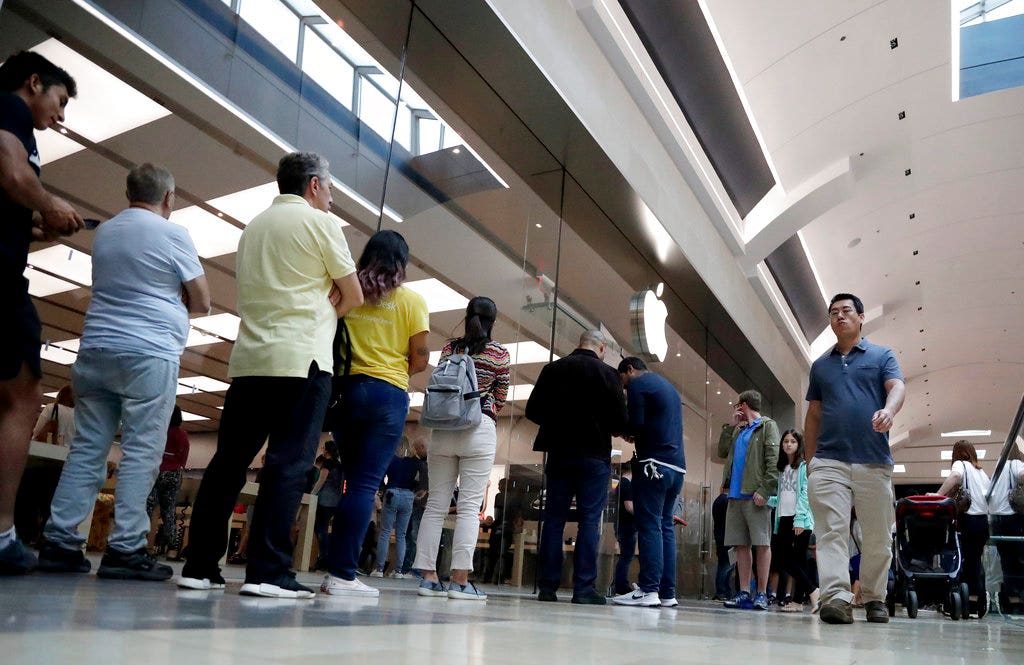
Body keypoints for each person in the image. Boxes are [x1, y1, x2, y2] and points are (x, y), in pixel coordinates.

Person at [180, 152, 361, 597]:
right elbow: (353, 295)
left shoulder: (252, 229)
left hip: (250, 361)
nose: (333, 198)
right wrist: (322, 308)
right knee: (287, 466)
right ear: (314, 185)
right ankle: (267, 572)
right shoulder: (322, 226)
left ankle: (200, 566)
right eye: (332, 189)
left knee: (227, 466)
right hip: (303, 361)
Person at [37, 163, 209, 581]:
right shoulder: (173, 234)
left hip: (95, 350)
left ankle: (60, 543)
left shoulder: (107, 232)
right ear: (169, 198)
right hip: (148, 354)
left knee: (87, 449)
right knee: (141, 451)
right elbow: (202, 301)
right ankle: (126, 548)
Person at [0, 50, 83, 575]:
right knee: (24, 394)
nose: (61, 113)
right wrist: (49, 203)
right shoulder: (9, 111)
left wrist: (35, 228)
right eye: (59, 99)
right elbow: (11, 175)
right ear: (34, 83)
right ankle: (3, 532)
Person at [320, 230, 429, 598]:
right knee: (366, 485)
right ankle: (342, 575)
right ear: (402, 262)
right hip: (388, 394)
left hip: (347, 392)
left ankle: (334, 570)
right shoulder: (412, 301)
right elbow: (419, 357)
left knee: (353, 481)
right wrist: (398, 371)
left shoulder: (347, 293)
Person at [805, 293, 905, 625]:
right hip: (828, 460)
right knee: (830, 531)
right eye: (833, 313)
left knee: (876, 534)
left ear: (861, 317)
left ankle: (875, 596)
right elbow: (814, 415)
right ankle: (836, 597)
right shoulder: (820, 366)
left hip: (873, 459)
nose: (839, 316)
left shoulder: (881, 356)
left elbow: (897, 387)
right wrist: (810, 461)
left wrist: (889, 411)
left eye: (846, 311)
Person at [415, 296, 510, 600]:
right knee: (469, 508)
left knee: (436, 505)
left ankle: (428, 577)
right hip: (479, 427)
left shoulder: (449, 348)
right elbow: (501, 394)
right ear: (493, 321)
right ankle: (459, 581)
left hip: (444, 429)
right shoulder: (499, 353)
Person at [526, 329, 627, 605]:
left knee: (554, 521)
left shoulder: (553, 369)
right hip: (594, 456)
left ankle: (547, 587)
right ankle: (583, 589)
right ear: (601, 348)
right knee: (589, 522)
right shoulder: (609, 375)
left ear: (579, 343)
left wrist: (558, 420)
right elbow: (620, 422)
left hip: (559, 453)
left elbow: (532, 411)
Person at [612, 357, 685, 608]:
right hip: (677, 467)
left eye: (623, 382)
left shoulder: (638, 385)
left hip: (653, 465)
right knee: (665, 527)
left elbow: (636, 423)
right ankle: (667, 593)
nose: (624, 388)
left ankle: (648, 590)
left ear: (629, 370)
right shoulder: (669, 387)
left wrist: (623, 431)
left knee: (649, 525)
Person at [718, 390, 780, 610]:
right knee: (741, 546)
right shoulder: (738, 430)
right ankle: (744, 591)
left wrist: (765, 490)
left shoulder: (767, 426)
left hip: (756, 496)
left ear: (742, 406)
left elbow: (774, 462)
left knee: (762, 544)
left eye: (737, 406)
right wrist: (730, 426)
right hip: (734, 496)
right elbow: (722, 451)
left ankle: (762, 593)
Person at [936, 439, 990, 616]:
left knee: (959, 561)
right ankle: (975, 603)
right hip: (983, 522)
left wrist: (938, 495)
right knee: (975, 562)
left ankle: (957, 600)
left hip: (967, 520)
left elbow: (956, 476)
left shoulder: (961, 465)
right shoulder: (982, 473)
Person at [769, 429, 818, 612]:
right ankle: (801, 599)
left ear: (799, 445)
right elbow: (784, 495)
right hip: (784, 517)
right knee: (790, 560)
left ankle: (810, 592)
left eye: (792, 441)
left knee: (793, 559)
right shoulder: (782, 468)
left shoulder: (803, 466)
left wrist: (799, 519)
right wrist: (768, 500)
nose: (788, 444)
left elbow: (805, 494)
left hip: (800, 519)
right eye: (786, 441)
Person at [371, 445, 422, 579]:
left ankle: (380, 568)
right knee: (402, 534)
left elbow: (381, 478)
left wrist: (381, 492)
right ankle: (399, 571)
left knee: (385, 533)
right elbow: (420, 481)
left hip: (392, 494)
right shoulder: (415, 462)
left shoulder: (390, 459)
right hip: (408, 496)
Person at [145, 406, 190, 554]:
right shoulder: (183, 435)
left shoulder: (160, 431)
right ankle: (172, 547)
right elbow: (183, 458)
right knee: (169, 510)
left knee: (148, 507)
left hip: (157, 471)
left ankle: (142, 541)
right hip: (174, 474)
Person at [988, 447, 1024, 608]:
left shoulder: (998, 467)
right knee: (1016, 560)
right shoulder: (1015, 463)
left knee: (1007, 561)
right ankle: (1016, 597)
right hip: (1012, 516)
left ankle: (1011, 598)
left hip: (997, 519)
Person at [310, 440, 342, 570]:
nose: (322, 449)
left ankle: (324, 557)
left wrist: (312, 494)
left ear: (327, 451)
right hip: (336, 501)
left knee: (320, 528)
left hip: (324, 500)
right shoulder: (340, 465)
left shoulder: (327, 463)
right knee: (325, 528)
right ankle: (326, 556)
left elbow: (321, 481)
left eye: (323, 448)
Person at [483, 477, 521, 584]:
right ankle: (500, 577)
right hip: (508, 528)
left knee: (493, 554)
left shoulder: (499, 496)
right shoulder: (515, 498)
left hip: (499, 527)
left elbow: (497, 513)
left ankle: (489, 577)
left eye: (500, 484)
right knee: (503, 554)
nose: (499, 487)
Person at [400, 438, 429, 576]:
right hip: (420, 504)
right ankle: (411, 567)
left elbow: (420, 485)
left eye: (417, 448)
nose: (416, 451)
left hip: (417, 504)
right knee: (413, 536)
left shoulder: (418, 464)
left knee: (411, 536)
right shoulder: (425, 464)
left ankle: (409, 567)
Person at [612, 464, 637, 595]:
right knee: (626, 556)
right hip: (627, 525)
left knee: (625, 556)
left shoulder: (619, 485)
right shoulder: (627, 484)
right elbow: (629, 506)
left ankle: (619, 584)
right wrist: (643, 514)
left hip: (621, 524)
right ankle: (621, 586)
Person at [712, 489, 735, 600]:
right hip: (727, 538)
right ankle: (721, 591)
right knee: (726, 566)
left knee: (726, 566)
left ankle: (725, 591)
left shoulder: (718, 500)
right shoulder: (726, 501)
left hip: (721, 537)